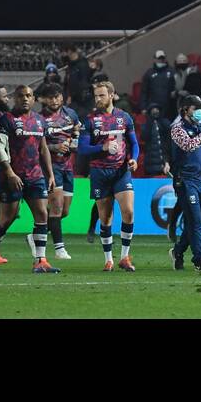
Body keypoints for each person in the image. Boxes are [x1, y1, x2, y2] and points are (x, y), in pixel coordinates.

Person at [0, 84, 59, 274]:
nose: (25, 99)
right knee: (7, 218)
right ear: (15, 98)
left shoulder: (39, 121)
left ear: (34, 99)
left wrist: (50, 174)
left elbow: (43, 149)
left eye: (29, 95)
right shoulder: (6, 120)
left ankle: (40, 260)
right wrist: (10, 172)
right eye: (21, 96)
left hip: (35, 176)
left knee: (42, 214)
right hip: (11, 177)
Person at [79, 81, 139, 272]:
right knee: (105, 219)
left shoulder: (124, 117)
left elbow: (134, 144)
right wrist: (102, 147)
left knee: (128, 212)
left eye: (101, 95)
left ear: (111, 95)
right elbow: (82, 148)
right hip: (99, 172)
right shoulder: (90, 120)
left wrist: (134, 159)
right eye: (96, 96)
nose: (97, 99)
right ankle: (108, 260)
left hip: (121, 171)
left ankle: (124, 257)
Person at [169, 95, 201, 274]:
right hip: (185, 180)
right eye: (195, 108)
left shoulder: (199, 127)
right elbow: (189, 146)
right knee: (196, 221)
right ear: (185, 110)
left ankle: (178, 251)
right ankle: (199, 260)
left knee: (194, 222)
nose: (200, 112)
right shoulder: (177, 129)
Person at [38, 83, 79, 261]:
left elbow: (77, 134)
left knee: (65, 211)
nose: (54, 100)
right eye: (50, 97)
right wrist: (55, 146)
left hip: (68, 166)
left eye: (57, 97)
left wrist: (73, 143)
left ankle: (35, 235)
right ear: (44, 99)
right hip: (50, 167)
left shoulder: (71, 115)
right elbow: (36, 146)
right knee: (56, 207)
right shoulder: (38, 119)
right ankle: (59, 249)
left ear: (62, 97)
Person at [141, 49, 178, 119]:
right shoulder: (149, 73)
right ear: (154, 59)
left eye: (162, 58)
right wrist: (143, 107)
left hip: (169, 107)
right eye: (159, 58)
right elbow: (144, 91)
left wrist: (175, 92)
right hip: (154, 106)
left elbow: (177, 87)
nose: (161, 60)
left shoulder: (172, 71)